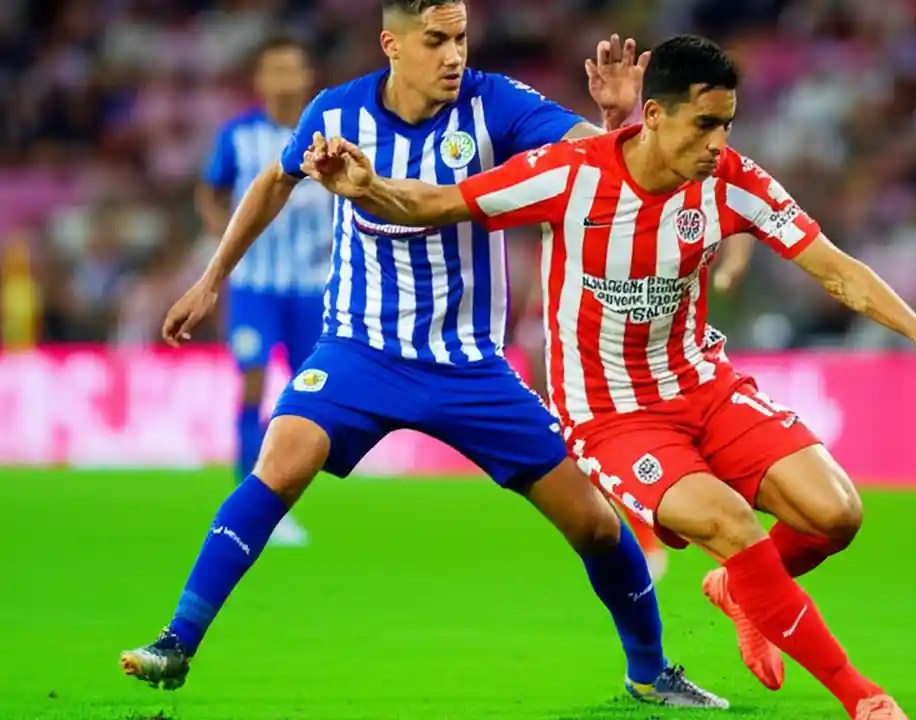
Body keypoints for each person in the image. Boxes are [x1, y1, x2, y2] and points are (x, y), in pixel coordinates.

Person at [300, 34, 916, 720]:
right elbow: (437, 204)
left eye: (726, 124)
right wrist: (369, 188)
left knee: (837, 514)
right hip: (612, 414)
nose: (717, 143)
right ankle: (862, 697)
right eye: (704, 124)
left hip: (703, 386)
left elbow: (834, 268)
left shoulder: (731, 180)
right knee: (732, 524)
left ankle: (741, 591)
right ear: (654, 115)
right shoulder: (570, 174)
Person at [120, 2, 726, 709]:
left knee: (594, 522)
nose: (454, 55)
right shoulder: (336, 113)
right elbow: (273, 181)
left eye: (460, 38)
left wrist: (620, 122)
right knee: (278, 466)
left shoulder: (496, 104)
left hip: (469, 366)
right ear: (393, 44)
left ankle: (650, 672)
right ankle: (177, 640)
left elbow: (608, 165)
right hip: (359, 351)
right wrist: (211, 279)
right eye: (436, 40)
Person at [198, 35, 330, 547]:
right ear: (259, 80)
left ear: (307, 77)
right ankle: (246, 497)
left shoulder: (330, 132)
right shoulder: (239, 137)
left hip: (313, 290)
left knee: (307, 396)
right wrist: (223, 232)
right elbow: (210, 189)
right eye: (274, 70)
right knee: (252, 382)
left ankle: (280, 499)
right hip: (255, 285)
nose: (283, 80)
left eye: (292, 69)